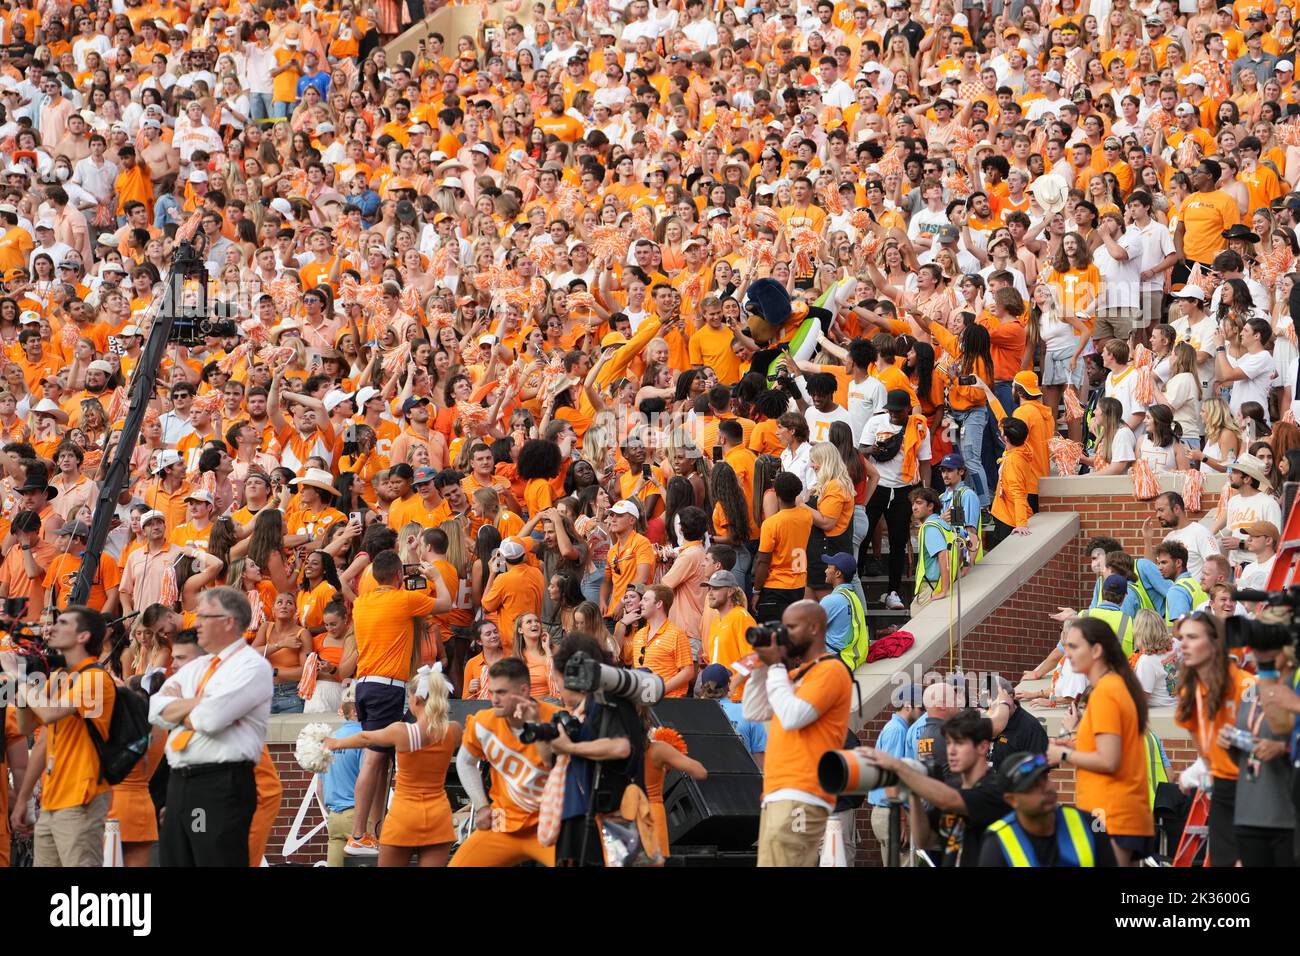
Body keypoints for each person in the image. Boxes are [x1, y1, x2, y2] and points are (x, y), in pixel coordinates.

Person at [148, 587, 271, 867]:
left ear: (228, 621)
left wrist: (183, 709)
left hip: (217, 783)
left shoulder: (251, 666)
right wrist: (198, 703)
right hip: (180, 783)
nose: (196, 622)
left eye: (204, 616)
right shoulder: (197, 665)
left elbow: (211, 719)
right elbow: (155, 708)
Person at [346, 549, 452, 857]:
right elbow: (445, 604)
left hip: (364, 685)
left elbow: (346, 582)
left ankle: (373, 831)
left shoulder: (362, 601)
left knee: (381, 760)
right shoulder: (403, 599)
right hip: (385, 686)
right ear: (398, 577)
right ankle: (357, 833)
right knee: (374, 759)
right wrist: (435, 577)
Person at [743, 600, 853, 867]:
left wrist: (778, 667)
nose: (785, 633)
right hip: (780, 791)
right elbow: (753, 710)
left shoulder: (832, 670)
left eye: (791, 627)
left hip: (803, 791)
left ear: (815, 628)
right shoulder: (797, 674)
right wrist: (763, 666)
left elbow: (792, 717)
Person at [7, 605, 116, 867]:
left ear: (83, 636)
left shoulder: (96, 678)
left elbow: (49, 713)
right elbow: (28, 729)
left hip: (81, 798)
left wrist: (18, 677)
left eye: (64, 623)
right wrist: (23, 799)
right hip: (52, 798)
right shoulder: (62, 677)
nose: (52, 628)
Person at [327, 665, 462, 867]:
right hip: (439, 818)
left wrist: (335, 743)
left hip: (403, 816)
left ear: (415, 699)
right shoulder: (453, 730)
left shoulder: (402, 732)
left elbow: (366, 737)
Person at [1046, 616, 1155, 866]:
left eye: (1074, 646)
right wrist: (1071, 743)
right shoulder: (1111, 688)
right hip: (1114, 812)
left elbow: (1108, 760)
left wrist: (1062, 755)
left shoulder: (1106, 692)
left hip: (1112, 812)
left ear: (1096, 650)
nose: (1067, 651)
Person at [858, 709, 1010, 867]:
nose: (951, 750)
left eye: (959, 743)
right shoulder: (952, 786)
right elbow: (924, 840)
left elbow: (950, 801)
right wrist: (913, 795)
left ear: (982, 747)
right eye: (949, 742)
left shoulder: (995, 788)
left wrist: (898, 766)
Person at [547, 633, 647, 867]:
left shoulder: (604, 699)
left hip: (605, 819)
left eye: (557, 677)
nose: (558, 687)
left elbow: (620, 747)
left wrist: (571, 747)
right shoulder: (597, 702)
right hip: (589, 816)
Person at [451, 657, 559, 867]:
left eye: (501, 692)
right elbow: (464, 762)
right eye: (491, 692)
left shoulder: (557, 718)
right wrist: (482, 806)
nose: (494, 699)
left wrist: (536, 725)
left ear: (524, 691)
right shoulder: (483, 721)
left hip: (549, 824)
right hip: (502, 820)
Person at [1173, 610, 1255, 866]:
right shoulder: (1189, 692)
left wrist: (1241, 740)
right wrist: (1195, 770)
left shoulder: (1246, 686)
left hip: (1256, 787)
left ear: (1214, 642)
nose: (1183, 644)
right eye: (1182, 637)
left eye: (1193, 637)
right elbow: (1206, 751)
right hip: (1222, 787)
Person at [979, 752, 1118, 866]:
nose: (1046, 788)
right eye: (1032, 786)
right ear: (1012, 800)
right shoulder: (997, 843)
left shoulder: (1090, 824)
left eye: (1045, 778)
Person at [868, 683, 923, 865]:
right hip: (892, 812)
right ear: (908, 705)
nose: (923, 713)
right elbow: (893, 776)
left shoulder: (898, 728)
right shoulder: (897, 731)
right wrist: (900, 820)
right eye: (921, 707)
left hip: (889, 811)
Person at [752, 472, 815, 624]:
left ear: (777, 494)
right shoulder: (806, 515)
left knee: (774, 637)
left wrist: (756, 591)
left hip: (775, 587)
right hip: (799, 584)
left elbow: (763, 561)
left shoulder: (772, 523)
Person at [320, 686, 363, 868]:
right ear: (354, 711)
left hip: (334, 816)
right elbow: (368, 782)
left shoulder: (331, 739)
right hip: (358, 815)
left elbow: (319, 789)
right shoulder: (364, 738)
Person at [1141, 491, 1218, 578]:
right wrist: (1147, 540)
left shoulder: (1200, 532)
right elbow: (1151, 570)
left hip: (1194, 590)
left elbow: (1217, 565)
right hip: (1173, 590)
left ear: (1176, 509)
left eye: (1161, 510)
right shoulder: (1168, 538)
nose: (1157, 515)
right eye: (1156, 511)